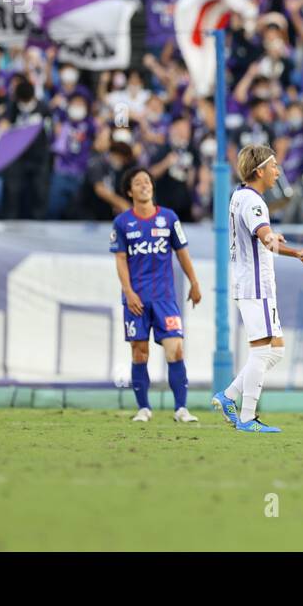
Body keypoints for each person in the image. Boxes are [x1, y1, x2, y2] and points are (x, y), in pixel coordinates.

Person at [212, 144, 303, 434]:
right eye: (274, 166)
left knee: (275, 350)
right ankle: (247, 417)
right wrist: (296, 253)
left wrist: (270, 236)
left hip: (251, 282)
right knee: (262, 349)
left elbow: (258, 236)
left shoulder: (239, 197)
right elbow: (266, 240)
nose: (277, 172)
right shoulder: (254, 202)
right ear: (260, 171)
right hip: (256, 284)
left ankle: (228, 396)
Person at [110, 167, 203, 423]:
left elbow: (182, 252)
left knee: (176, 349)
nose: (144, 186)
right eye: (138, 183)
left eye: (147, 182)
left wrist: (194, 282)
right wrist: (129, 292)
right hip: (136, 300)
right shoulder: (122, 223)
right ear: (129, 191)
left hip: (165, 299)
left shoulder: (169, 218)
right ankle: (144, 409)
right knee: (139, 353)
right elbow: (120, 260)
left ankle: (181, 409)